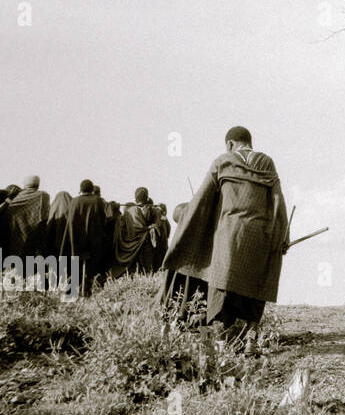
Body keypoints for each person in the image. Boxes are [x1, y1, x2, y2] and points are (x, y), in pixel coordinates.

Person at [162, 127, 290, 353]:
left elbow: (200, 201)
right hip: (259, 235)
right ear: (249, 142)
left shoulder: (222, 162)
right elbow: (278, 202)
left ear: (230, 144)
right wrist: (282, 236)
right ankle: (250, 338)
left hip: (229, 235)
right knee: (256, 285)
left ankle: (220, 343)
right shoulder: (267, 163)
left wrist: (183, 232)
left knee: (221, 285)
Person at [60, 180, 111, 297]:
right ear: (92, 189)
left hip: (76, 240)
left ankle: (70, 292)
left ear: (81, 189)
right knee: (90, 269)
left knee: (75, 267)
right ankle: (86, 292)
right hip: (94, 240)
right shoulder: (98, 201)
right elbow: (104, 219)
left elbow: (69, 220)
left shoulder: (74, 201)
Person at [112, 187, 159, 277]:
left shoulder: (128, 211)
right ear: (147, 197)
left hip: (131, 244)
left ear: (135, 197)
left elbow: (122, 228)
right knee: (147, 269)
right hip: (146, 243)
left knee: (134, 268)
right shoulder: (151, 210)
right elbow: (158, 224)